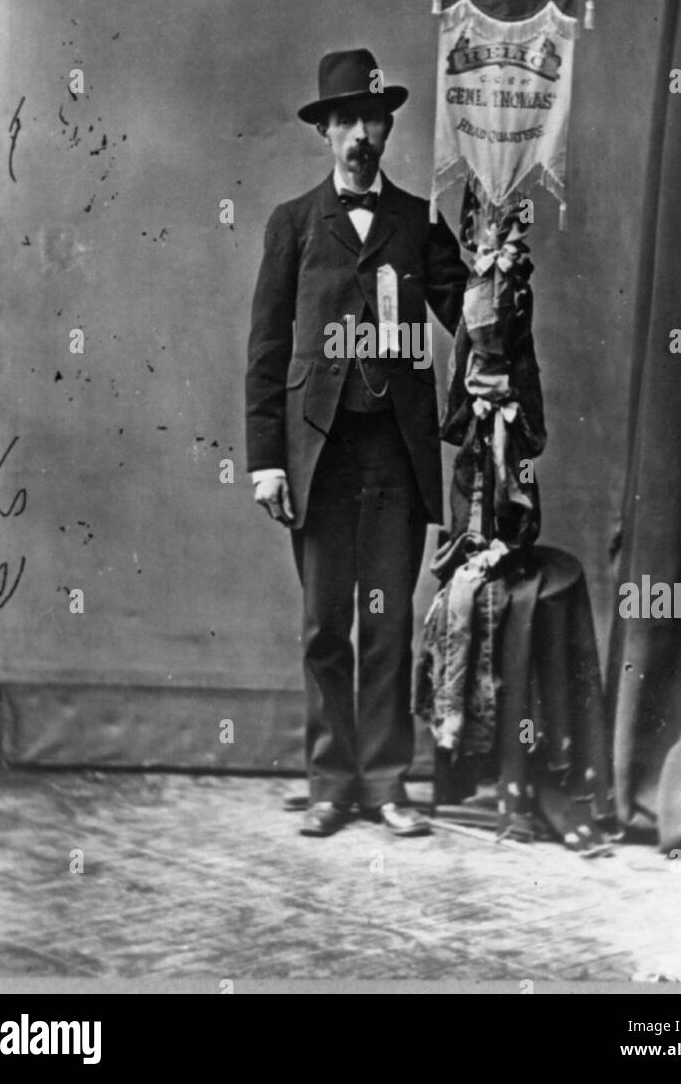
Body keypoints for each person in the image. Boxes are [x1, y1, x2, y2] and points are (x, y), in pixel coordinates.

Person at [245, 48, 469, 837]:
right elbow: (267, 353)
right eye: (344, 122)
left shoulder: (416, 224)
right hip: (319, 456)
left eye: (371, 119)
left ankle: (385, 784)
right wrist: (268, 462)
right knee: (322, 626)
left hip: (395, 458)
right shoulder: (294, 225)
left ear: (387, 127)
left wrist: (499, 264)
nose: (359, 136)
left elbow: (467, 314)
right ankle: (329, 784)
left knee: (389, 625)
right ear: (325, 133)